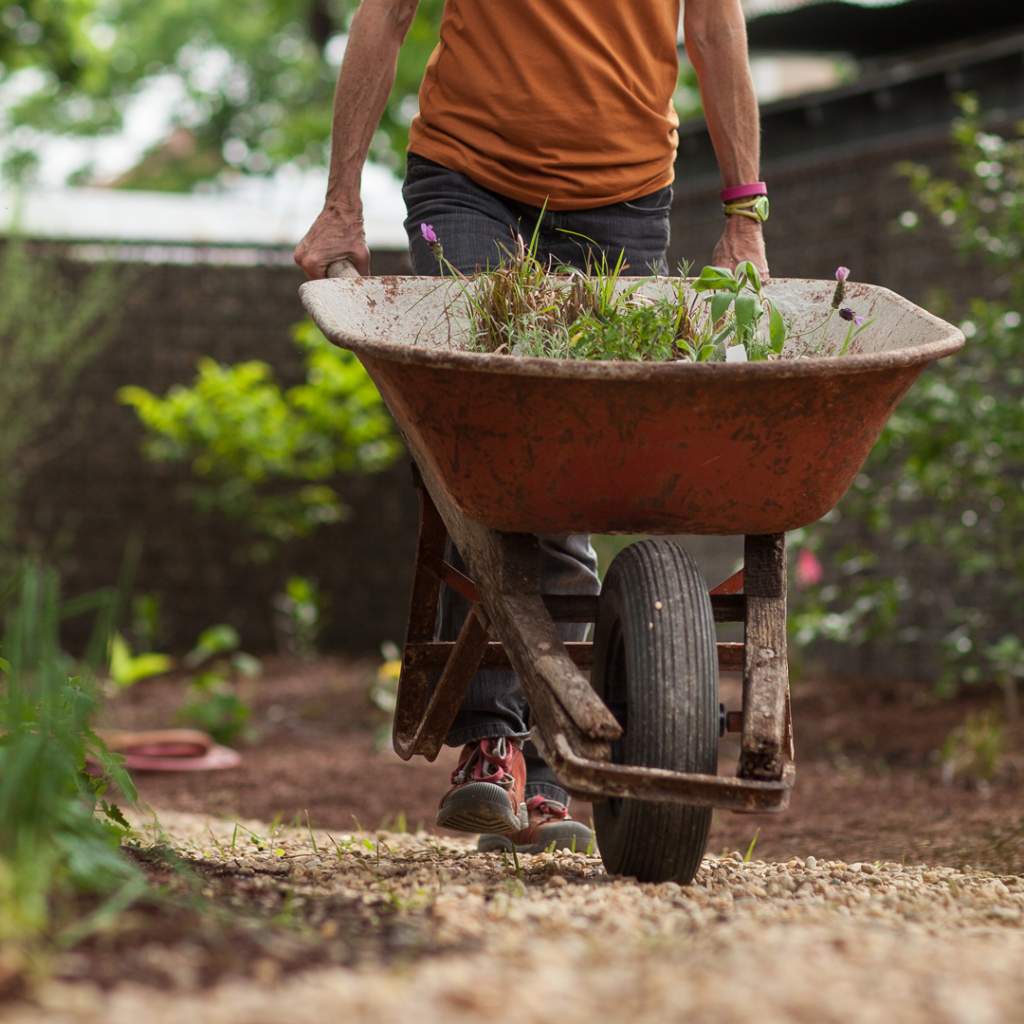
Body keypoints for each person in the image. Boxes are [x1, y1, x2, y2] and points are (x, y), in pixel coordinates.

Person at [295, 0, 768, 854]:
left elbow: (714, 30)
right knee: (491, 438)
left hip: (623, 201)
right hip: (468, 178)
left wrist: (746, 212)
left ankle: (545, 759)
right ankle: (496, 741)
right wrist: (341, 203)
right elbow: (387, 12)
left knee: (568, 460)